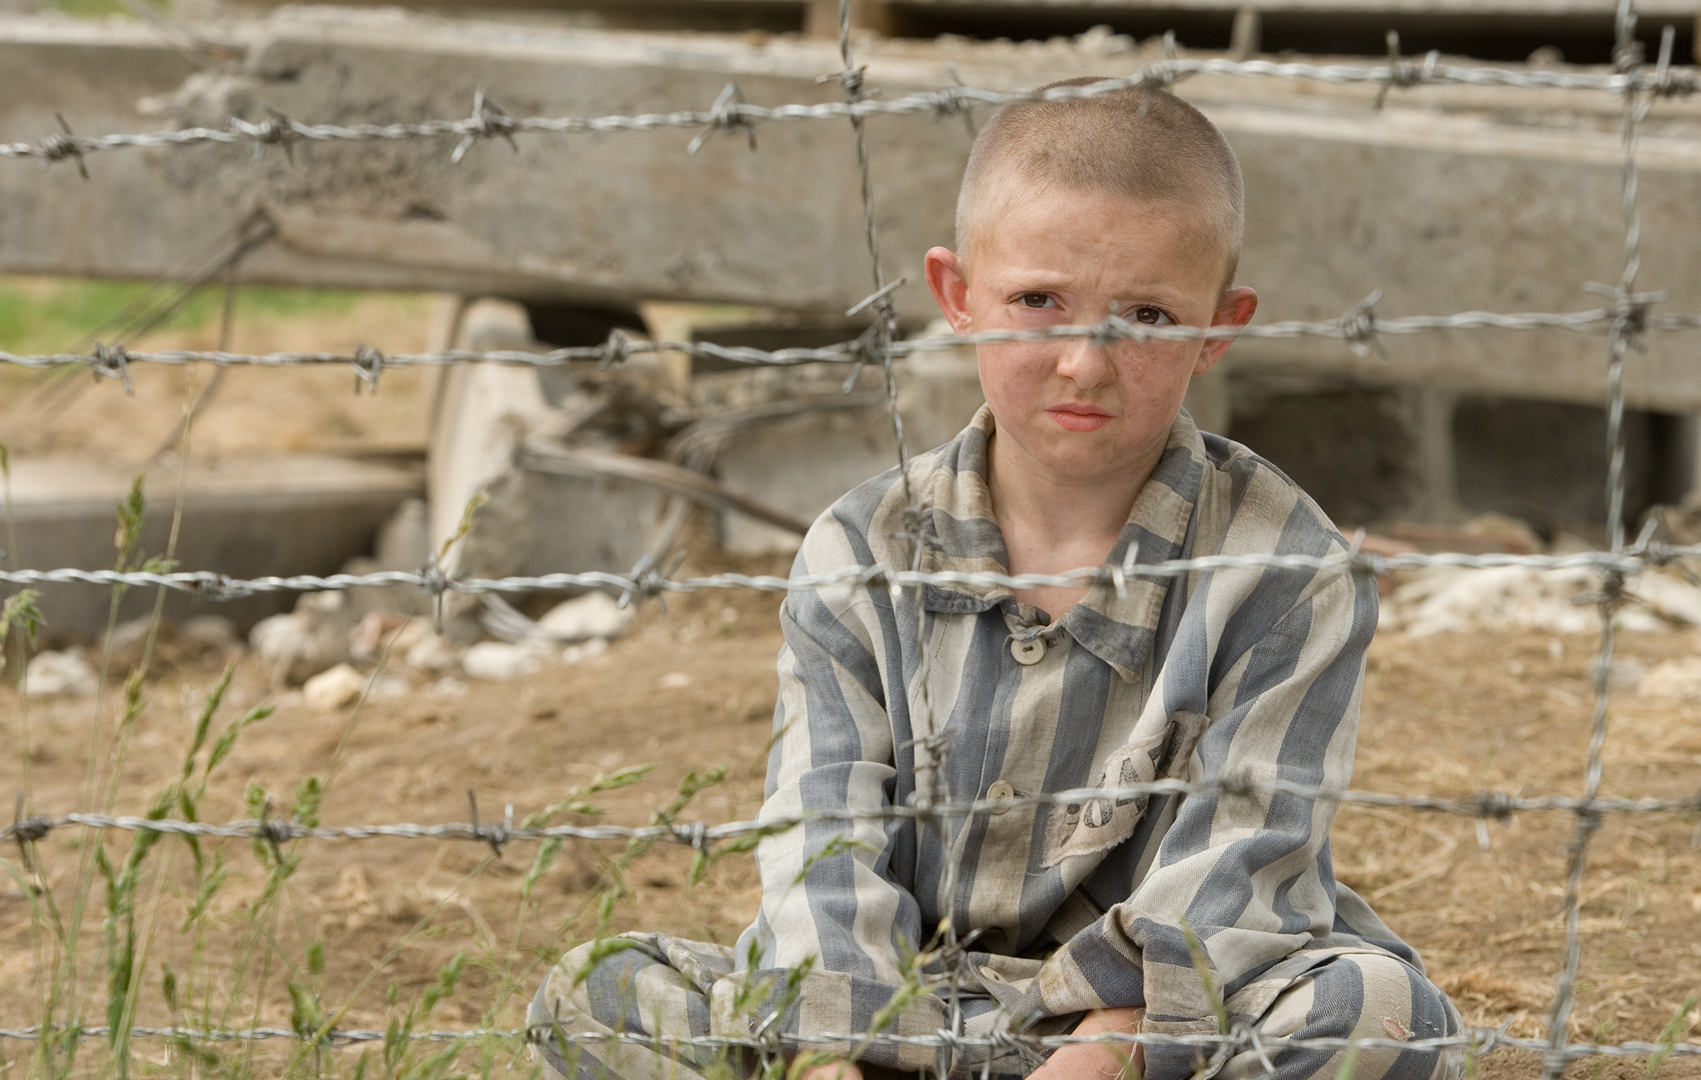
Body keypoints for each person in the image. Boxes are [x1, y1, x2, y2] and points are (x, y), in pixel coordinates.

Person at [529, 78, 1461, 1080]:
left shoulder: (1286, 570)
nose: (1085, 363)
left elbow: (1241, 865)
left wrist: (1106, 1048)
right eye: (1038, 301)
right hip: (901, 1009)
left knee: (1380, 1016)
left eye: (1148, 314)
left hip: (1150, 1028)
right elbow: (825, 840)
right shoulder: (862, 550)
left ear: (1218, 328)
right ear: (957, 296)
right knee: (601, 993)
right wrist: (835, 1055)